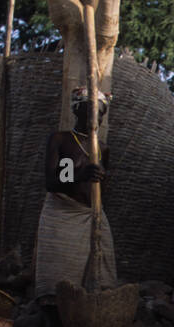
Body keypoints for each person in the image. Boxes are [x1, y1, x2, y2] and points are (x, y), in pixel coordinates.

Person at [33, 87, 117, 297]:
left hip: (90, 216)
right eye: (91, 109)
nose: (96, 116)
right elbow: (53, 182)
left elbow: (101, 191)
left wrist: (99, 179)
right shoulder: (62, 140)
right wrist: (81, 174)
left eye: (101, 111)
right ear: (77, 109)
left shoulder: (102, 149)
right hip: (62, 214)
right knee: (58, 279)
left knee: (99, 276)